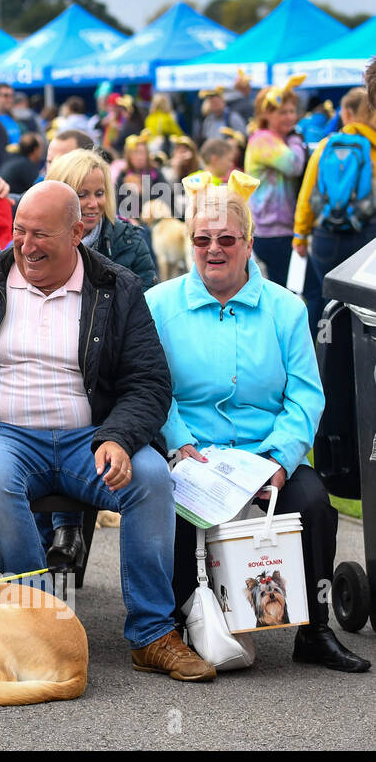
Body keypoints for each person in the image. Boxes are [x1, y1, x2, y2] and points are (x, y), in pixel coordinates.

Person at [0, 180, 213, 681]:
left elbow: (149, 381)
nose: (26, 246)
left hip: (91, 438)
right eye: (19, 231)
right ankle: (38, 624)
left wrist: (119, 436)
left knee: (151, 479)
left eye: (41, 235)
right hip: (3, 436)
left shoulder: (117, 287)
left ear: (78, 232)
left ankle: (153, 633)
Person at [147, 172, 369, 673]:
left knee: (312, 501)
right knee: (172, 498)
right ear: (190, 243)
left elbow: (306, 397)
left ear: (249, 243)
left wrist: (278, 459)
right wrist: (181, 445)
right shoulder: (158, 306)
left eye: (227, 239)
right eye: (202, 239)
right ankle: (182, 620)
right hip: (193, 454)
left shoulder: (287, 309)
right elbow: (153, 389)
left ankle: (313, 629)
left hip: (263, 452)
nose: (214, 249)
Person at [294, 87, 376, 332]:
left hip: (326, 238)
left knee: (330, 305)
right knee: (367, 310)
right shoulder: (372, 149)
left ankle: (326, 361)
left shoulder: (326, 145)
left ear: (347, 113)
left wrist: (300, 233)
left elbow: (307, 193)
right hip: (367, 239)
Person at [244, 76, 317, 310]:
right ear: (266, 115)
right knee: (313, 291)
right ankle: (317, 345)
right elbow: (294, 164)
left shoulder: (275, 139)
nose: (290, 117)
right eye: (282, 112)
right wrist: (297, 139)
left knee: (282, 296)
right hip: (273, 232)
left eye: (292, 111)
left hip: (276, 230)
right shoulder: (264, 140)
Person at [47, 149, 157, 287]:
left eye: (99, 194)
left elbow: (147, 302)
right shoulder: (34, 240)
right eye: (81, 195)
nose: (93, 204)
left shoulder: (131, 242)